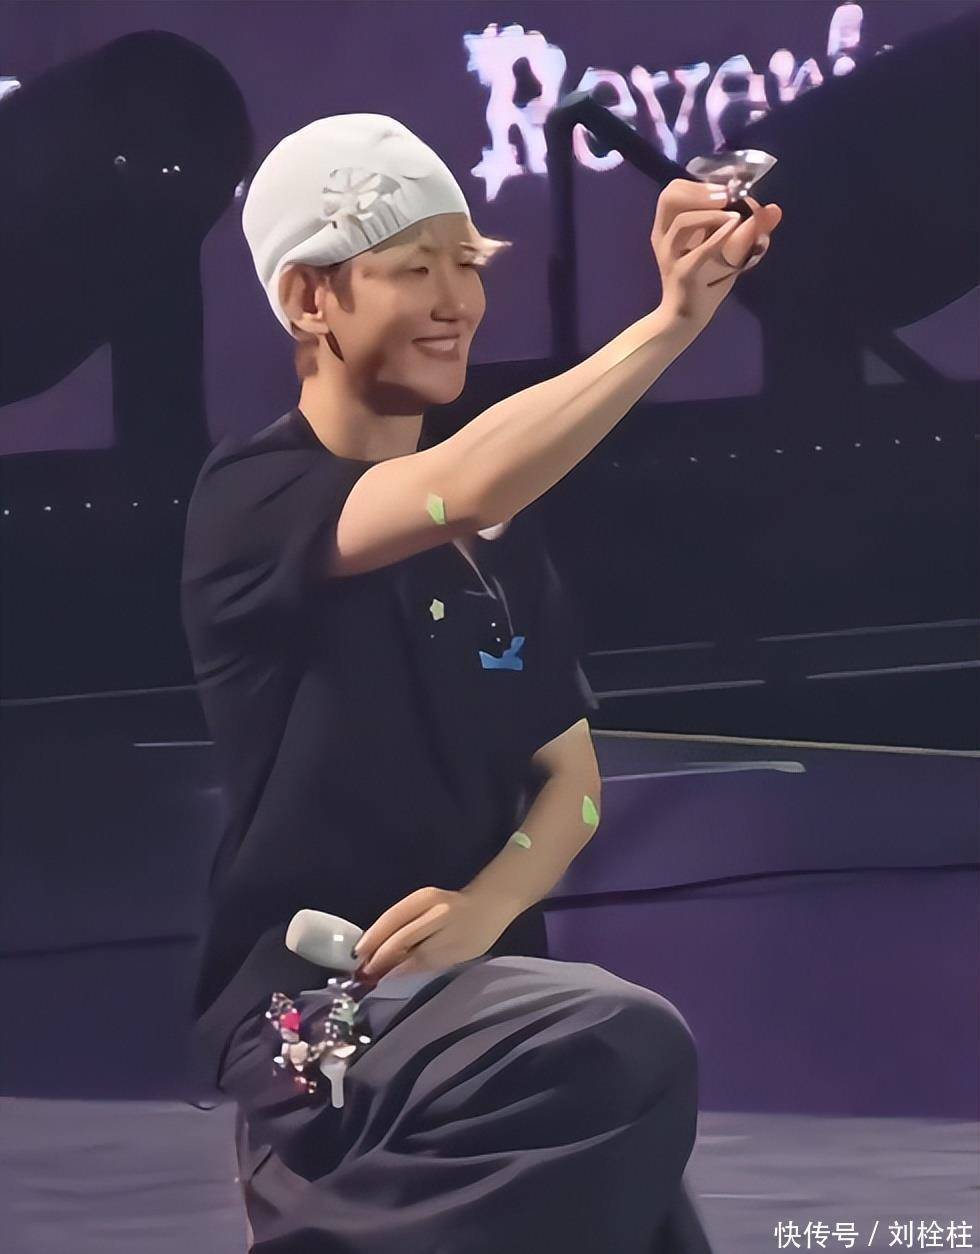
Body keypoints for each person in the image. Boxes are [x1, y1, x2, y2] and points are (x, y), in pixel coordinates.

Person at [180, 113, 780, 1253]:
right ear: (309, 300)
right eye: (415, 270)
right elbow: (463, 481)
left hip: (502, 1016)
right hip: (322, 1014)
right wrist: (669, 324)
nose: (458, 300)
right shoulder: (251, 504)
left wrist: (485, 910)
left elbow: (575, 789)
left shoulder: (498, 541)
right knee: (625, 1042)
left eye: (469, 265)